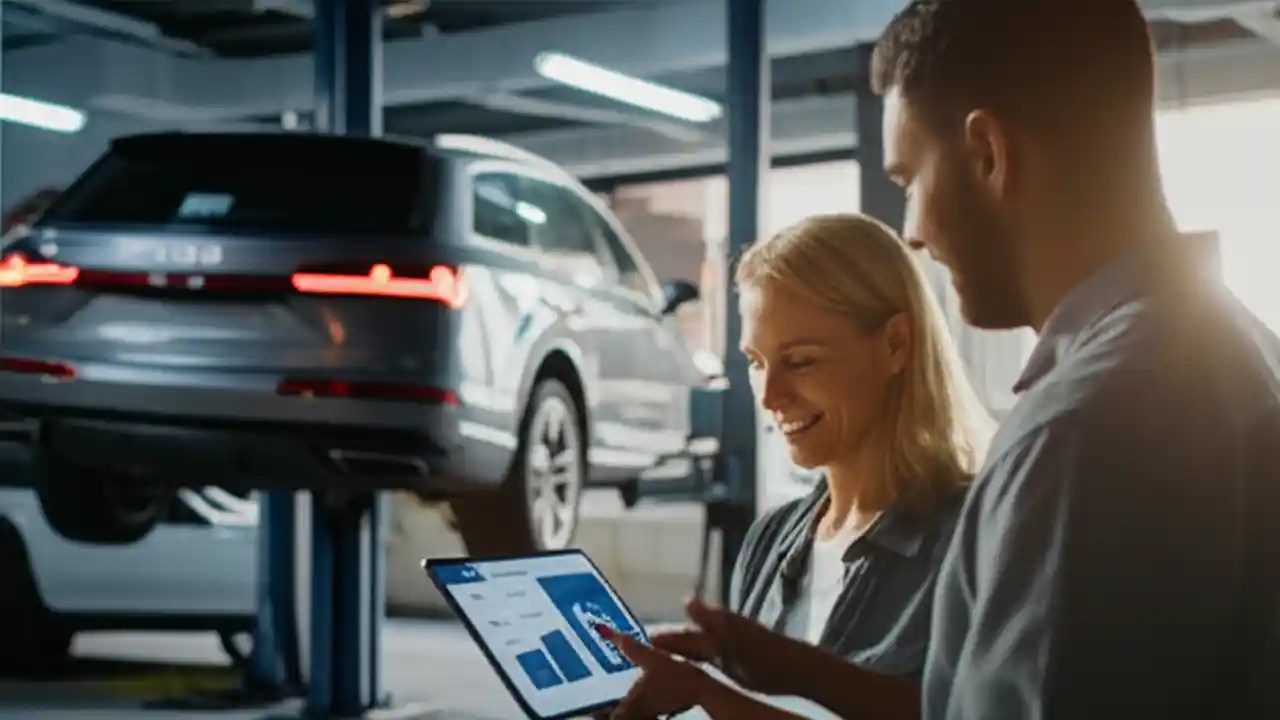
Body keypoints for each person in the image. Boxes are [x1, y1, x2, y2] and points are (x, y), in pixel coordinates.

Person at [606, 0, 1280, 718]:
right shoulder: (1237, 352)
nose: (914, 232)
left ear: (987, 153)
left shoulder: (1076, 436)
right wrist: (800, 671)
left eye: (908, 181)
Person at [599, 212, 992, 718]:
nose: (768, 396)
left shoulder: (980, 539)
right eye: (756, 362)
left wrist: (710, 696)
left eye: (801, 361)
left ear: (896, 343)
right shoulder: (770, 542)